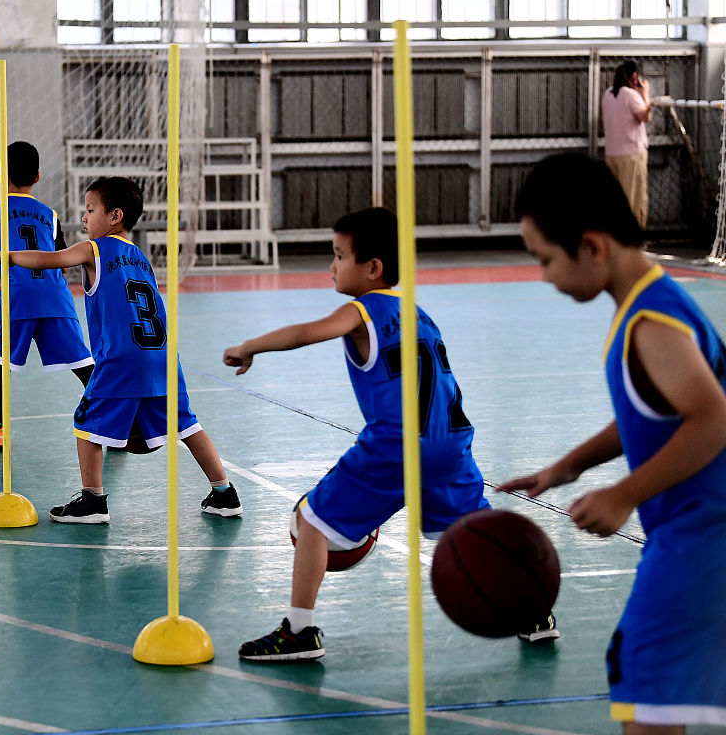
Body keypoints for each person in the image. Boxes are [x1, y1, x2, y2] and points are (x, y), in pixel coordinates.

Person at [223, 207, 556, 661]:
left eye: (339, 256)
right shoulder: (419, 314)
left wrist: (251, 346)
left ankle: (299, 631)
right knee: (478, 531)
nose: (331, 266)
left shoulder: (362, 310)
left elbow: (307, 332)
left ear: (373, 268)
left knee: (312, 519)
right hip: (452, 445)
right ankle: (533, 610)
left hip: (396, 447)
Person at [503, 152, 726, 733]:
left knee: (642, 675)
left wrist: (625, 493)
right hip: (697, 530)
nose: (544, 275)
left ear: (593, 247)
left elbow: (711, 419)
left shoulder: (651, 321)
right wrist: (568, 466)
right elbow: (657, 413)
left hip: (702, 535)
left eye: (546, 259)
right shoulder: (651, 302)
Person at [2, 176, 241, 523]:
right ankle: (225, 493)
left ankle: (93, 501)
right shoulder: (140, 257)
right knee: (186, 425)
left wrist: (9, 255)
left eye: (90, 210)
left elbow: (49, 259)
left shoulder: (93, 250)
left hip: (121, 358)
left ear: (114, 216)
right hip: (161, 356)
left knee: (85, 422)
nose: (84, 218)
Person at [0, 141, 94, 448]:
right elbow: (61, 257)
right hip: (56, 296)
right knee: (82, 362)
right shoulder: (50, 215)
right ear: (37, 177)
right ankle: (112, 413)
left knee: (1, 362)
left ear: (0, 175)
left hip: (19, 297)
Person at [602, 60, 651, 230]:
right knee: (634, 198)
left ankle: (614, 236)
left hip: (612, 154)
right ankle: (632, 238)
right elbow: (645, 116)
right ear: (634, 77)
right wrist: (645, 94)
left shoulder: (608, 94)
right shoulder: (631, 95)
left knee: (615, 198)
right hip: (631, 156)